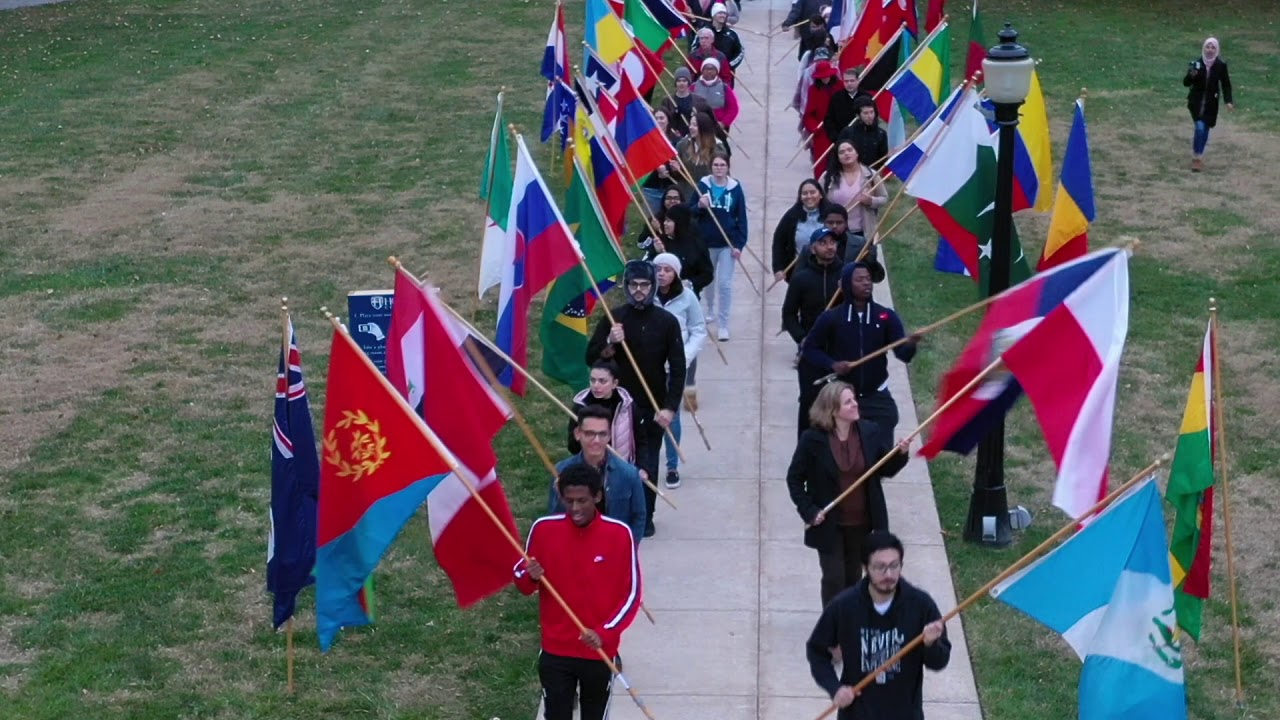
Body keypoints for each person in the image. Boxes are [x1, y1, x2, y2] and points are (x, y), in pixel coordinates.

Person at [515, 463, 643, 720]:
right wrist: (529, 575)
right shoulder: (543, 529)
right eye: (569, 500)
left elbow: (632, 594)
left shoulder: (619, 534)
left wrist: (605, 633)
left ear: (597, 496)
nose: (575, 508)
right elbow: (522, 578)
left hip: (599, 651)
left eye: (582, 500)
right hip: (556, 651)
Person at [587, 260, 687, 537]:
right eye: (634, 285)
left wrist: (669, 407)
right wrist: (610, 342)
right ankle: (609, 513)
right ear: (626, 287)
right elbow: (591, 358)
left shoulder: (666, 322)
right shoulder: (614, 318)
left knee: (647, 463)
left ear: (653, 287)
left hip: (652, 406)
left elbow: (678, 368)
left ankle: (645, 516)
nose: (639, 290)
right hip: (616, 407)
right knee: (611, 463)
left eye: (644, 285)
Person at [806, 531, 951, 719]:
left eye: (894, 566)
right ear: (865, 567)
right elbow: (816, 650)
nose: (888, 574)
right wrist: (835, 688)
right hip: (857, 714)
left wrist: (931, 644)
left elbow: (938, 662)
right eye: (880, 567)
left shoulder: (921, 605)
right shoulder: (844, 606)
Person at [787, 382, 909, 606]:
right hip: (829, 523)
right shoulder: (812, 440)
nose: (855, 404)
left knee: (853, 578)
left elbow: (885, 469)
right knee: (834, 578)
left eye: (854, 399)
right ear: (833, 410)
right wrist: (809, 510)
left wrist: (900, 454)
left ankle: (849, 621)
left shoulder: (869, 432)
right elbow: (794, 478)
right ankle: (832, 624)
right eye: (848, 402)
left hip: (861, 524)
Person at [802, 261, 918, 450]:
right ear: (848, 285)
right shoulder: (831, 318)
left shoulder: (886, 316)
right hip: (842, 397)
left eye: (868, 279)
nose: (866, 283)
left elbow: (903, 355)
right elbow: (809, 349)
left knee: (880, 453)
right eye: (860, 279)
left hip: (876, 395)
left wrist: (910, 344)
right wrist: (832, 364)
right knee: (842, 454)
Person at [552, 404, 647, 542]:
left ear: (609, 435)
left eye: (602, 434)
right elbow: (555, 519)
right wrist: (559, 495)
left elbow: (639, 516)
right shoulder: (561, 471)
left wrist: (628, 546)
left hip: (613, 547)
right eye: (589, 433)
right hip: (576, 545)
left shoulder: (628, 474)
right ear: (578, 434)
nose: (596, 440)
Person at [652, 253, 707, 489]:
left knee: (670, 414)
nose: (662, 274)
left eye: (667, 270)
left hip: (675, 367)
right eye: (658, 269)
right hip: (649, 365)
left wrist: (683, 357)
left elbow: (698, 329)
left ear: (676, 273)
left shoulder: (687, 297)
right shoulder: (647, 295)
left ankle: (672, 465)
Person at [782, 227, 844, 434]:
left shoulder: (846, 275)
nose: (829, 247)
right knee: (810, 402)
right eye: (823, 243)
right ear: (813, 248)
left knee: (840, 404)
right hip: (812, 352)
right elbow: (789, 315)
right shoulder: (801, 279)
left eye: (832, 242)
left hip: (840, 350)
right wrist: (801, 338)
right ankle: (806, 447)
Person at [690, 151, 748, 341]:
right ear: (711, 167)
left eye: (722, 165)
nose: (719, 168)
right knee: (709, 280)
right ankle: (710, 309)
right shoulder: (702, 186)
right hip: (705, 243)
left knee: (725, 284)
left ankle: (723, 324)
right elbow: (689, 212)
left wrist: (739, 244)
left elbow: (741, 218)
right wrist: (699, 206)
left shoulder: (735, 188)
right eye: (716, 165)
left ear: (728, 167)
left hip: (727, 244)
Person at [567, 361, 636, 463]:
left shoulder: (627, 405)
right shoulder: (580, 406)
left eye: (602, 381)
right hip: (589, 466)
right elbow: (572, 447)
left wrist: (643, 467)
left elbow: (640, 440)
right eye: (592, 380)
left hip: (621, 465)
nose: (596, 385)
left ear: (614, 383)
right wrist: (581, 437)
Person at [821, 140, 886, 247]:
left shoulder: (870, 175)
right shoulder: (828, 177)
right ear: (837, 157)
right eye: (841, 152)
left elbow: (884, 198)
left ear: (857, 153)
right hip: (834, 232)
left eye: (850, 150)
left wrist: (871, 201)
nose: (846, 154)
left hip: (862, 232)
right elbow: (819, 199)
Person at [642, 204, 715, 298]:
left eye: (669, 221)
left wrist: (691, 283)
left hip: (687, 297)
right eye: (665, 220)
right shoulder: (660, 241)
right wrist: (655, 253)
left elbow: (707, 274)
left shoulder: (696, 244)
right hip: (660, 296)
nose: (665, 223)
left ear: (679, 222)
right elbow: (645, 267)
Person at [1184, 37, 1234, 172]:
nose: (1210, 50)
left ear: (1216, 50)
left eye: (1213, 47)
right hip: (1196, 102)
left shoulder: (1220, 65)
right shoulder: (1197, 64)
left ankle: (1199, 154)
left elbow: (1226, 84)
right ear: (1204, 48)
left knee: (1205, 129)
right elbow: (1186, 83)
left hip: (1211, 103)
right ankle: (1196, 158)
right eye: (1208, 47)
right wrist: (1192, 75)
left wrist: (1228, 101)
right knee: (1200, 127)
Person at [772, 179, 828, 284]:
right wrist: (778, 268)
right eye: (805, 193)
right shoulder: (791, 216)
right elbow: (778, 241)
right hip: (799, 270)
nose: (809, 196)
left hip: (826, 271)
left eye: (812, 192)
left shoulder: (830, 214)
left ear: (820, 194)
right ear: (800, 197)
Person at [801, 58, 841, 179]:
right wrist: (813, 127)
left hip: (839, 129)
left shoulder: (840, 86)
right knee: (821, 165)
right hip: (822, 131)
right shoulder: (813, 89)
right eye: (822, 77)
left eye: (826, 76)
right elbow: (809, 114)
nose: (825, 79)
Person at [675, 110, 728, 196]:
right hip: (687, 195)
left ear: (704, 127)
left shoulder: (717, 148)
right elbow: (678, 174)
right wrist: (675, 169)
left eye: (695, 125)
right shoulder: (682, 145)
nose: (691, 127)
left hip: (710, 195)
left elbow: (723, 175)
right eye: (690, 124)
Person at [639, 109, 681, 215]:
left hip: (671, 189)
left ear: (668, 120)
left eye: (662, 118)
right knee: (653, 220)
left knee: (672, 219)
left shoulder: (676, 141)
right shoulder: (645, 141)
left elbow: (681, 165)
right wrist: (656, 168)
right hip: (651, 189)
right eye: (656, 118)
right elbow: (641, 164)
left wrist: (673, 170)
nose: (658, 121)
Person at [824, 67, 873, 147]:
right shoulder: (836, 98)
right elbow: (829, 120)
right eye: (846, 81)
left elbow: (873, 118)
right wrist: (836, 138)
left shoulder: (867, 97)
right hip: (843, 141)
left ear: (858, 80)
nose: (849, 84)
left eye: (852, 81)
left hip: (864, 140)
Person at [835, 97, 889, 170]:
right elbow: (838, 154)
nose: (870, 116)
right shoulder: (847, 132)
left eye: (872, 112)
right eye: (866, 113)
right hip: (849, 171)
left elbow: (883, 158)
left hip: (872, 172)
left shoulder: (881, 134)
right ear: (858, 115)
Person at [661, 67, 714, 139]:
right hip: (673, 138)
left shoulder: (700, 101)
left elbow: (709, 121)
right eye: (679, 81)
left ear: (688, 82)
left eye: (684, 80)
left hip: (694, 137)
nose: (681, 83)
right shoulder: (667, 101)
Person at [691, 58, 740, 131]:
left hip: (718, 128)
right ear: (702, 70)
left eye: (712, 69)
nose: (709, 71)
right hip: (698, 127)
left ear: (717, 71)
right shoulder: (693, 87)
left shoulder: (724, 88)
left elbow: (733, 108)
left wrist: (724, 123)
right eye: (706, 69)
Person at [707, 3, 745, 76]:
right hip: (708, 73)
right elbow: (695, 50)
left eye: (724, 13)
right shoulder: (705, 32)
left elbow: (740, 52)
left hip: (727, 73)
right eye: (719, 13)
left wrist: (729, 65)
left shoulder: (732, 35)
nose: (722, 15)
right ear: (713, 15)